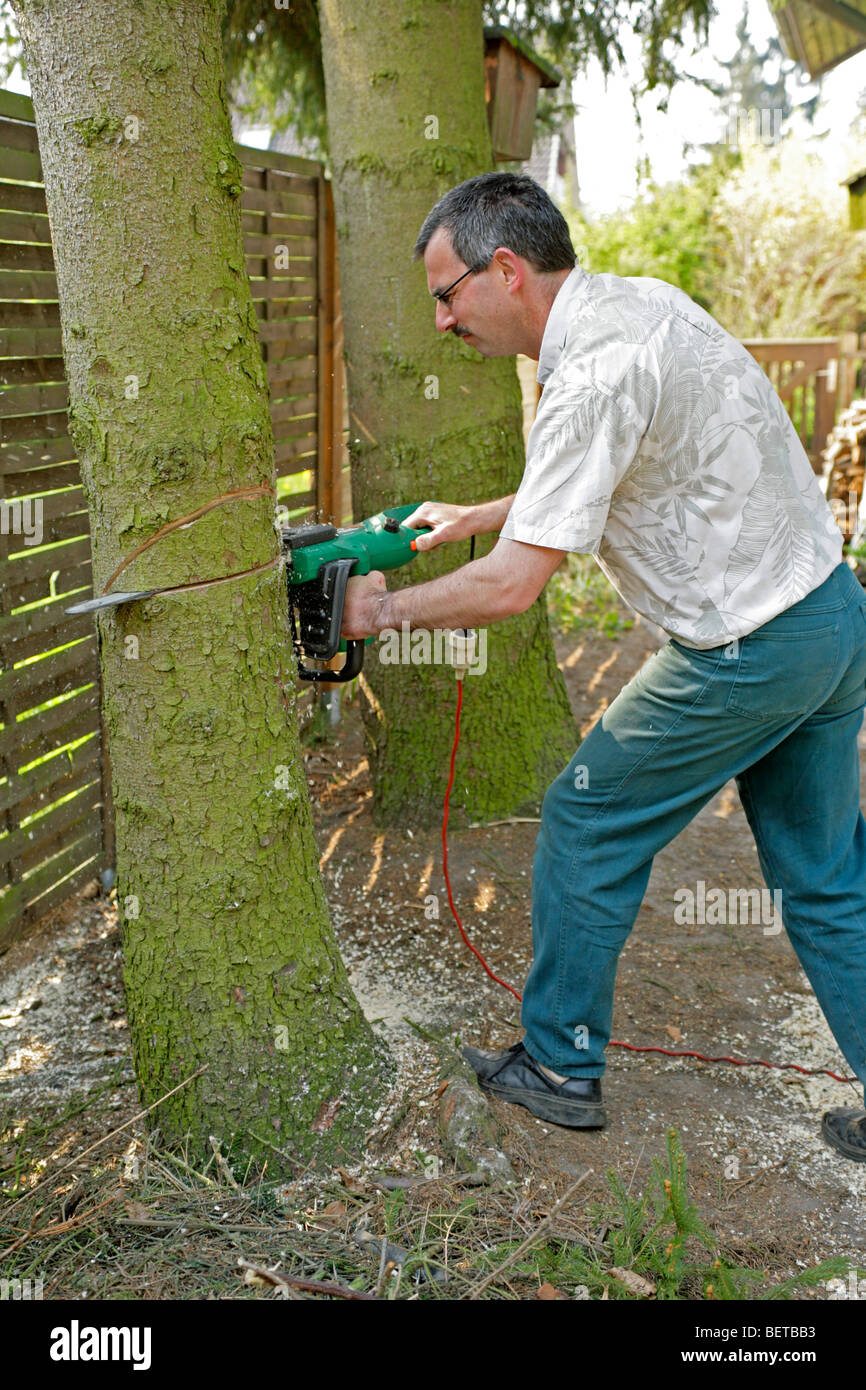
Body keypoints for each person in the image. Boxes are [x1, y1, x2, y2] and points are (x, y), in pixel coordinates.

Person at [340, 171, 866, 1163]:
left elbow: (507, 589)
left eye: (445, 295)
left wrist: (380, 610)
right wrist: (475, 514)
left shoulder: (584, 373)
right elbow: (608, 462)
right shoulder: (631, 305)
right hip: (831, 618)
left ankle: (558, 1066)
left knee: (584, 817)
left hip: (747, 648)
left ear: (503, 269)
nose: (443, 323)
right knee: (827, 874)